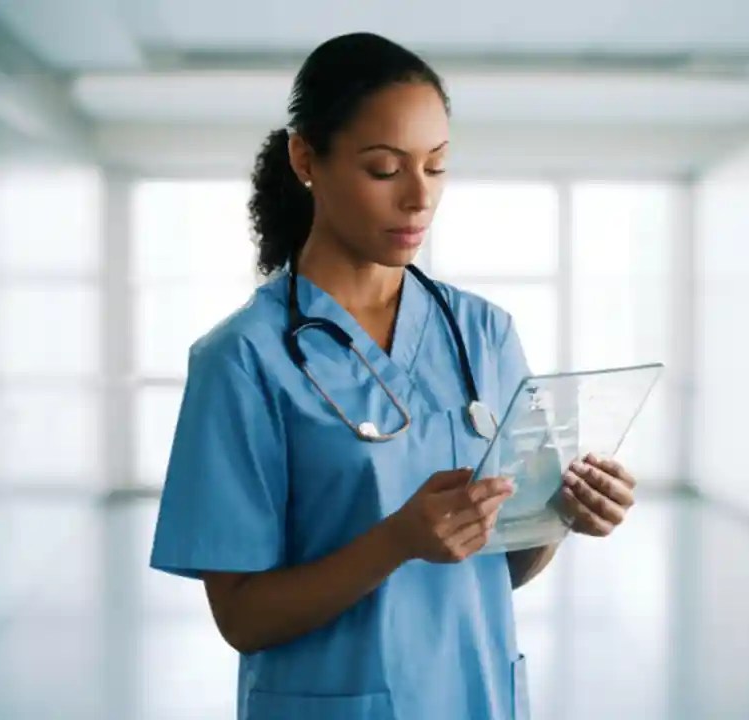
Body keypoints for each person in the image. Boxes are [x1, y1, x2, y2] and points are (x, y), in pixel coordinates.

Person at [149, 32, 638, 720]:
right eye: (384, 169)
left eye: (436, 167)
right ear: (304, 158)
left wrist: (563, 517)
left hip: (475, 696)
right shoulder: (244, 358)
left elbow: (503, 566)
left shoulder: (483, 333)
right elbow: (242, 618)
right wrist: (395, 542)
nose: (418, 198)